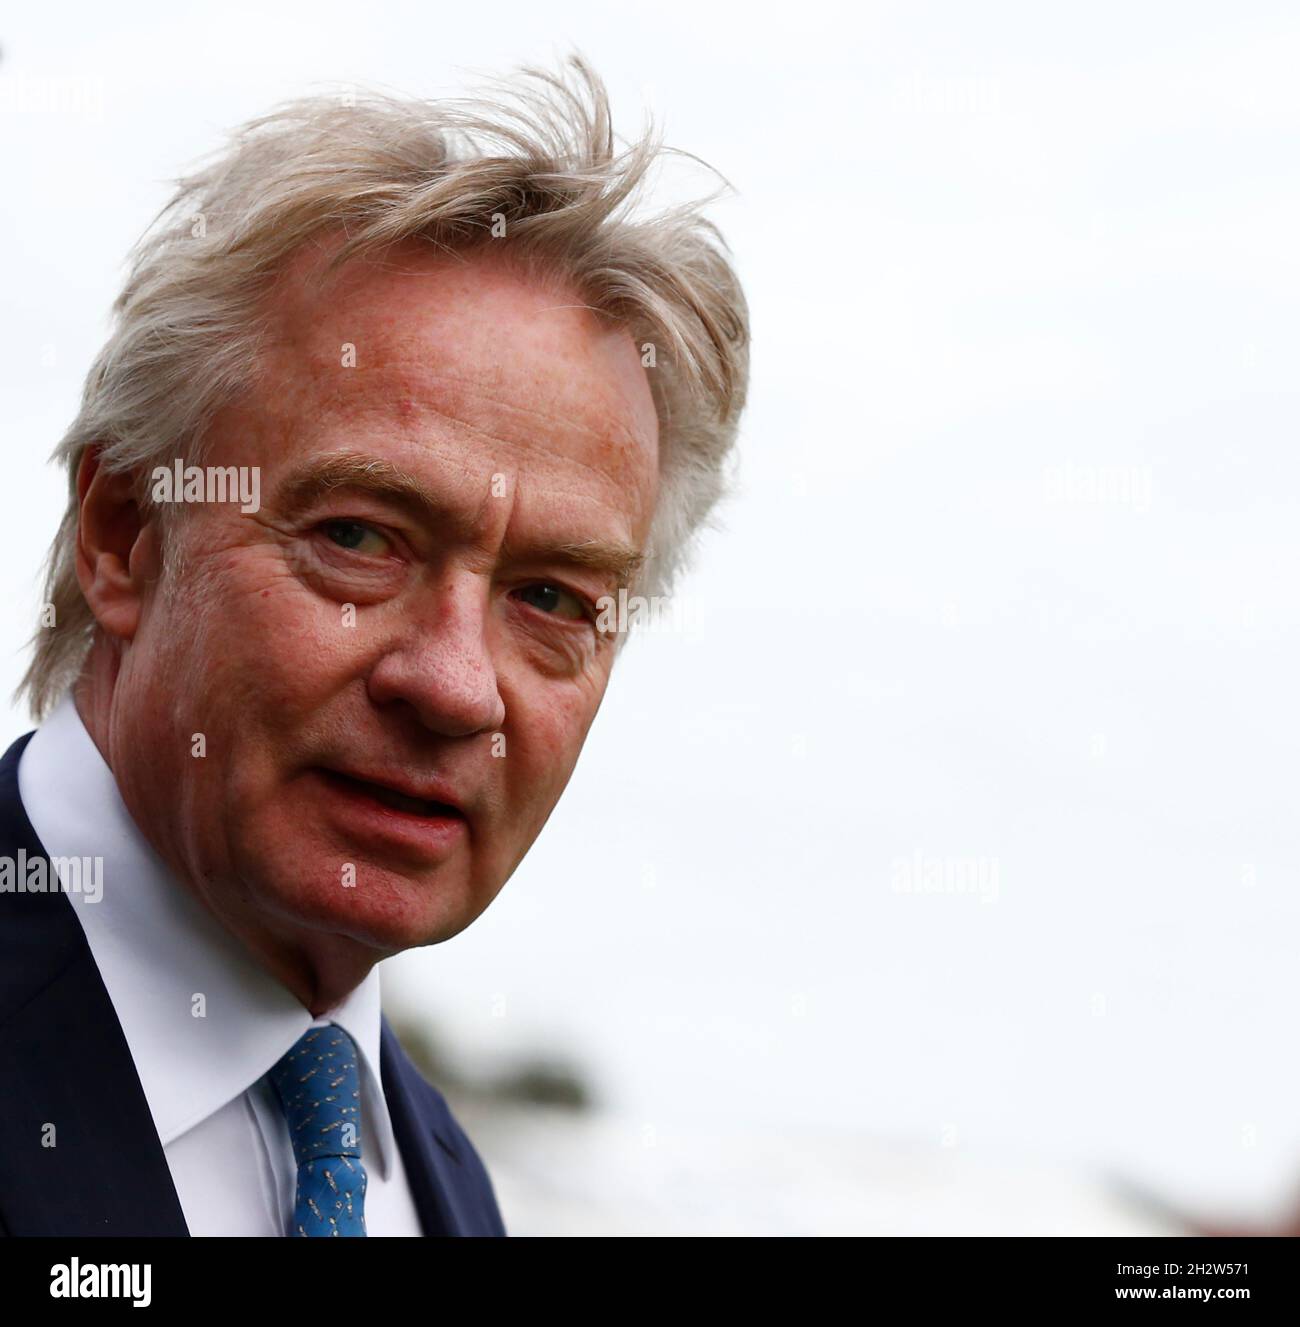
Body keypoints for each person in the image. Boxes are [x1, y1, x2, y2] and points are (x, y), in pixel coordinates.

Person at [0, 52, 749, 1237]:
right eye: (359, 536)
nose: (453, 685)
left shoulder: (446, 1190)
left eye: (552, 599)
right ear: (125, 530)